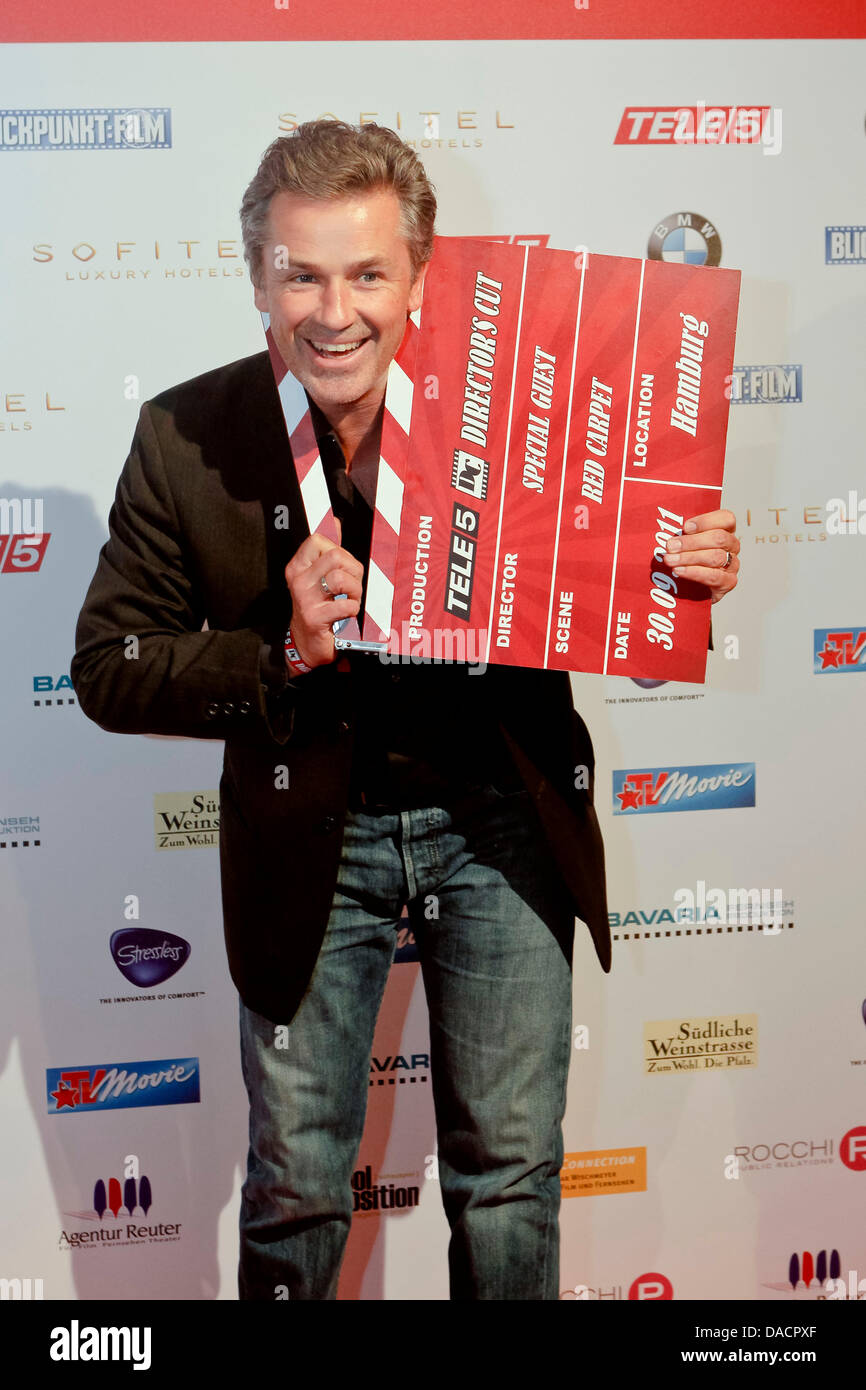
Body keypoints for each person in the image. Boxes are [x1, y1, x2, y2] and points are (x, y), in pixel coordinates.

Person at [71, 120, 740, 1301]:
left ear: (422, 275)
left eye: (367, 272)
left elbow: (618, 604)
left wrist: (669, 574)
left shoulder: (531, 406)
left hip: (499, 824)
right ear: (257, 276)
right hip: (306, 838)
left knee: (509, 1180)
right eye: (303, 274)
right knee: (295, 1182)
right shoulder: (185, 433)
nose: (335, 311)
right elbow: (108, 666)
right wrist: (276, 652)